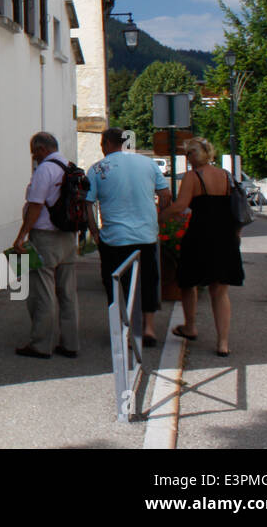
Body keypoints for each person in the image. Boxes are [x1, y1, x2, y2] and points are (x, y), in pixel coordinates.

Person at [84, 128, 170, 346]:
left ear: (106, 144)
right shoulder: (148, 163)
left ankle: (125, 329)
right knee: (148, 281)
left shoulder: (96, 169)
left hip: (114, 237)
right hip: (146, 235)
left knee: (116, 284)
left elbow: (88, 203)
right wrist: (158, 218)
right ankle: (148, 328)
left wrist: (94, 230)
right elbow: (165, 194)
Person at [160, 137, 244, 356]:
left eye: (188, 154)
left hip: (200, 235)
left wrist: (158, 219)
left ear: (191, 156)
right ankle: (223, 343)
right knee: (220, 289)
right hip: (225, 236)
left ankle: (190, 326)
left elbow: (180, 206)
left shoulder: (193, 176)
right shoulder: (225, 175)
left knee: (188, 282)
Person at [13, 132, 79, 359]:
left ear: (41, 149)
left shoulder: (45, 169)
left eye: (34, 151)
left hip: (45, 237)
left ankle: (41, 344)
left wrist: (22, 235)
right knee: (67, 293)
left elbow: (35, 206)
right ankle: (70, 343)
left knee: (43, 292)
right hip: (68, 237)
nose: (33, 156)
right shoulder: (70, 166)